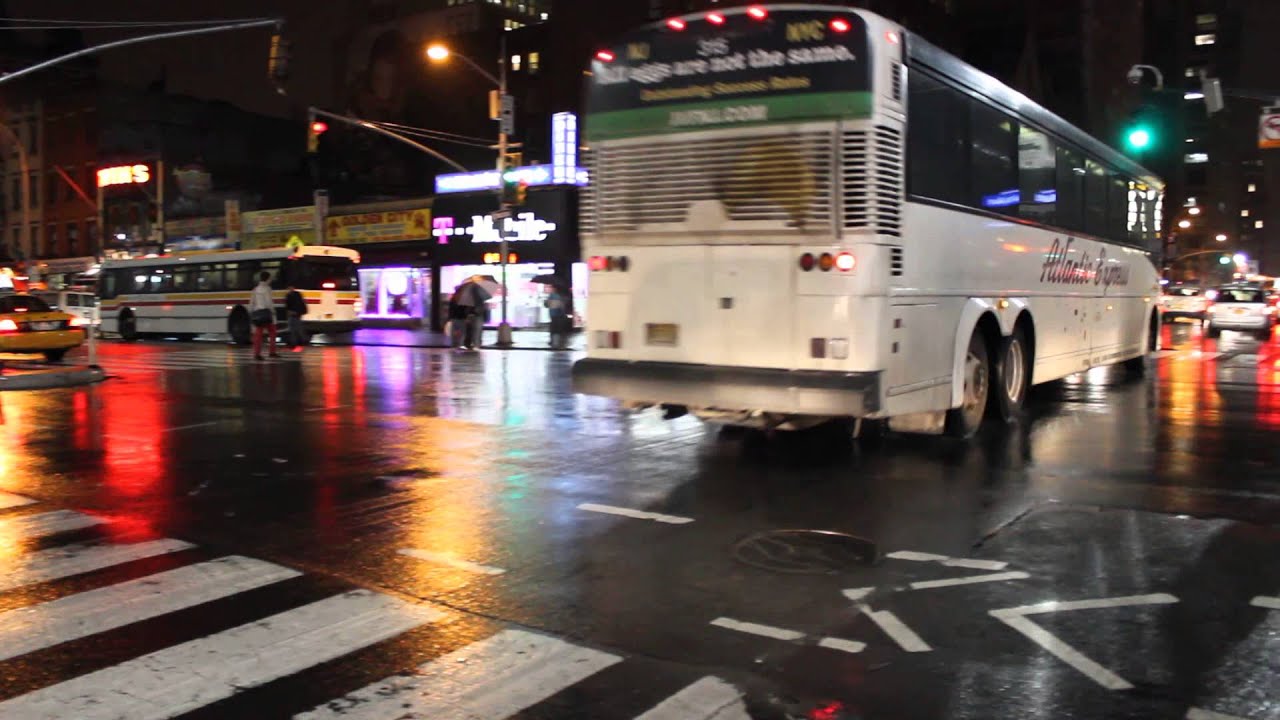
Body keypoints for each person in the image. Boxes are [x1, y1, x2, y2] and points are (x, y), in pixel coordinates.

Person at [249, 271, 279, 360]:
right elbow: (269, 302)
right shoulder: (267, 289)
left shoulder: (255, 289)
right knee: (273, 333)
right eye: (270, 278)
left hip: (258, 314)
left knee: (258, 335)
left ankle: (257, 354)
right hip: (267, 314)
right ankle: (272, 352)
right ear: (267, 279)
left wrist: (251, 312)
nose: (271, 280)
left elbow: (252, 302)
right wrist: (273, 311)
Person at [545, 285, 570, 349]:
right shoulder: (559, 296)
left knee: (554, 330)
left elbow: (547, 305)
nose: (550, 289)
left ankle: (555, 343)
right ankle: (556, 343)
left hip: (555, 316)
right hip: (557, 315)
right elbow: (561, 307)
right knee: (557, 330)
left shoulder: (553, 296)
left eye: (551, 287)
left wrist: (548, 302)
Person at [284, 284, 308, 351]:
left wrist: (291, 312)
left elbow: (288, 305)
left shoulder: (290, 295)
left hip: (294, 314)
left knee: (293, 329)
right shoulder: (297, 294)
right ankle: (299, 341)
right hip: (296, 314)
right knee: (297, 328)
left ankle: (296, 342)